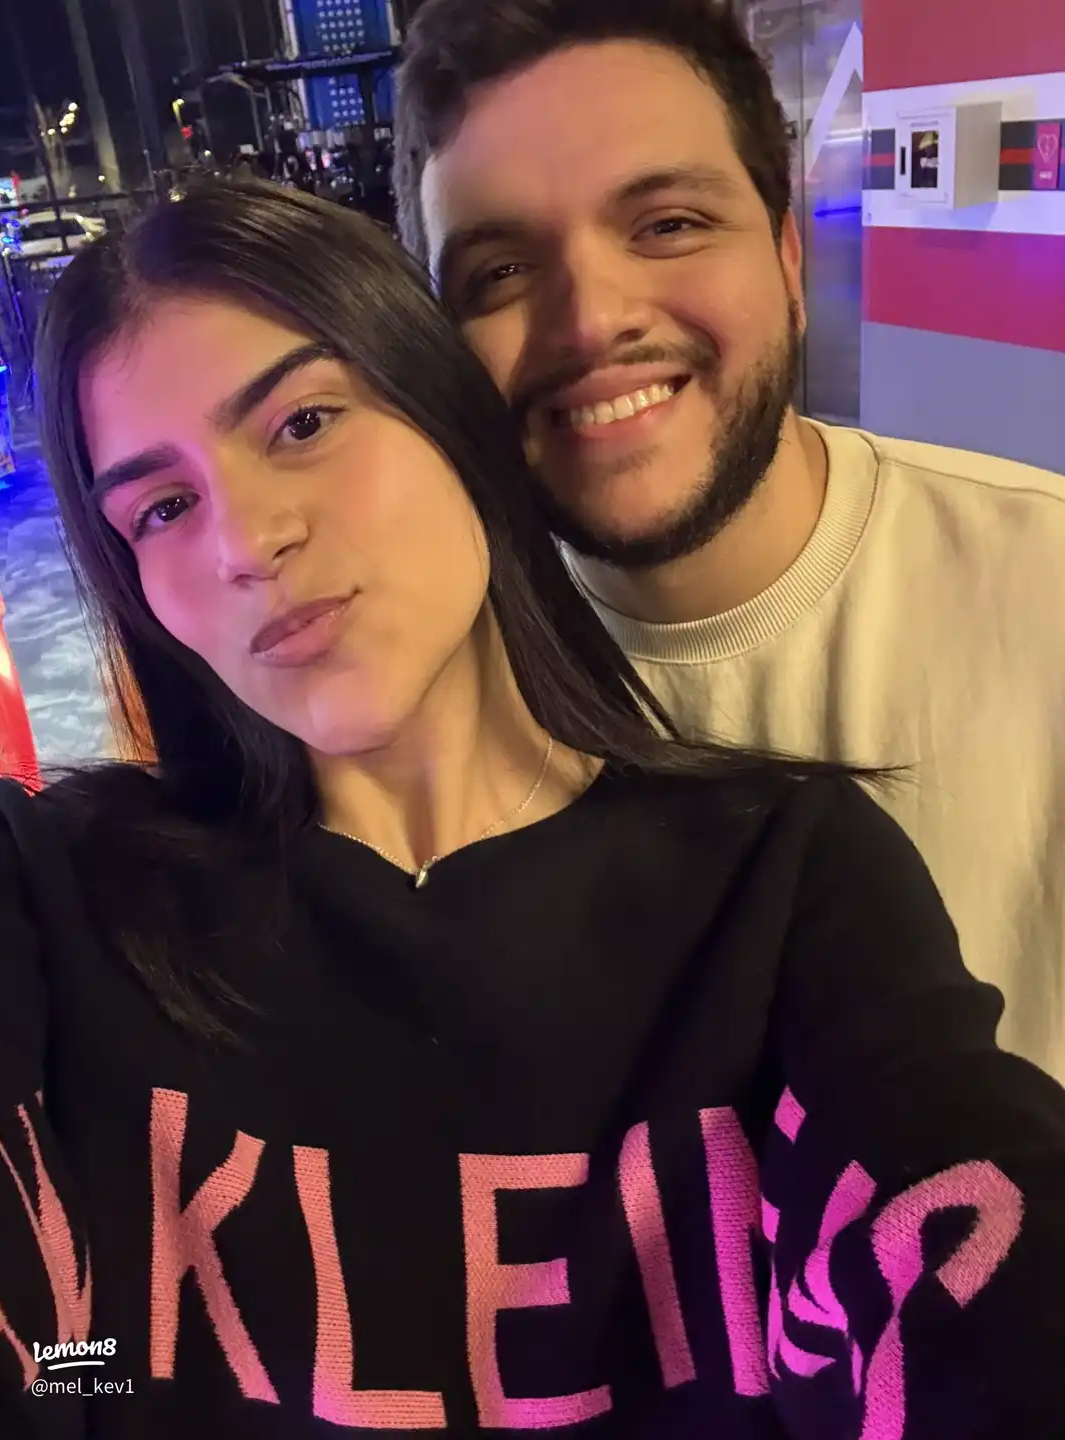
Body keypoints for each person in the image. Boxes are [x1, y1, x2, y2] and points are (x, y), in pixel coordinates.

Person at [0, 180, 1062, 1436]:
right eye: (161, 509)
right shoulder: (53, 898)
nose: (245, 540)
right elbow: (58, 1360)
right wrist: (85, 1363)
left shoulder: (779, 889)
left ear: (450, 417)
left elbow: (972, 1231)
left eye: (303, 423)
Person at [391, 0, 1065, 1081]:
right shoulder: (420, 692)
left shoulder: (1044, 593)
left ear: (791, 259)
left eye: (666, 225)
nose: (588, 321)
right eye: (502, 274)